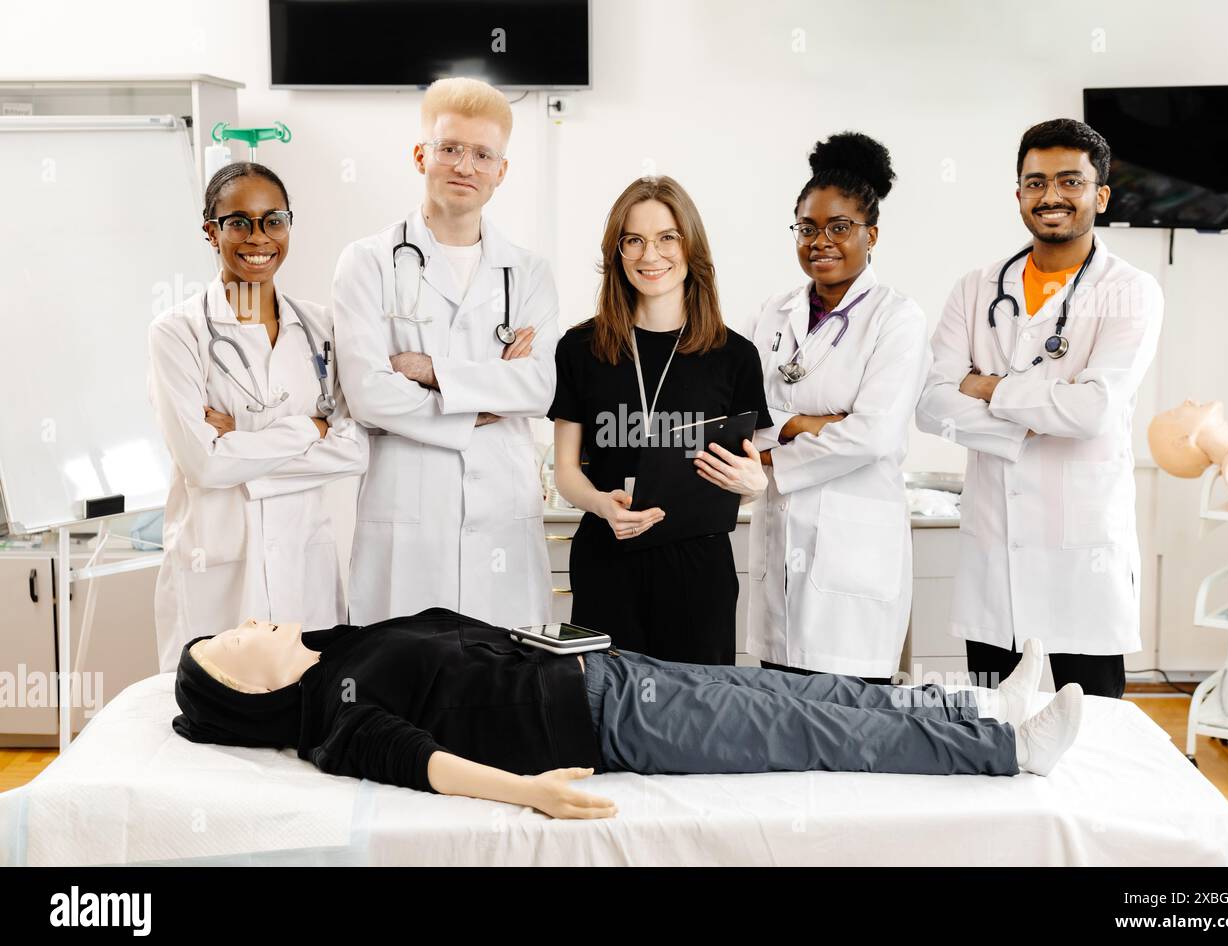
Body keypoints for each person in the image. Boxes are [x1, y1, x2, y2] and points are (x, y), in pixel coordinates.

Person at [172, 609, 1085, 819]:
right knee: (804, 731)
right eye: (232, 640)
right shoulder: (333, 714)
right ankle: (1008, 749)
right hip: (608, 723)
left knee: (792, 687)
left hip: (600, 667)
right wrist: (529, 794)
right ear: (247, 690)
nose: (249, 621)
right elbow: (421, 763)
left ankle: (972, 702)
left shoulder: (334, 647)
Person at [915, 118, 1164, 699]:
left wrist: (988, 387)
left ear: (1100, 195)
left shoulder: (1131, 291)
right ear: (1020, 193)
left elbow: (1093, 412)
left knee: (1095, 729)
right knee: (987, 721)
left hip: (1083, 557)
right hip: (994, 550)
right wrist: (1027, 426)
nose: (1050, 196)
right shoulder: (977, 287)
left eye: (1070, 182)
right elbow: (930, 404)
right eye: (1035, 182)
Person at [332, 77, 555, 628]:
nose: (465, 166)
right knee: (402, 692)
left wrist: (430, 371)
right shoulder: (367, 263)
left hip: (502, 515)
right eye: (450, 148)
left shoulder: (528, 273)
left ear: (501, 171)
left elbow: (540, 387)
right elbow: (368, 396)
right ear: (420, 156)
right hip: (408, 518)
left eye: (483, 154)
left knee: (506, 693)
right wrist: (484, 400)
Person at [147, 162, 368, 673]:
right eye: (238, 222)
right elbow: (203, 465)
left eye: (273, 220)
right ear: (211, 231)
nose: (258, 237)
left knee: (305, 716)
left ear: (289, 226)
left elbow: (355, 448)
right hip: (218, 565)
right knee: (212, 715)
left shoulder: (322, 328)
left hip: (303, 561)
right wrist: (310, 428)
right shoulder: (177, 333)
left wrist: (242, 440)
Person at [548, 176, 772, 665]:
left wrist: (755, 483)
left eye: (667, 237)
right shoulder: (580, 349)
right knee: (604, 713)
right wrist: (602, 505)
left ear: (691, 246)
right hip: (607, 559)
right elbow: (567, 471)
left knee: (697, 720)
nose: (651, 256)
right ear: (617, 253)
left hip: (698, 570)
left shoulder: (735, 356)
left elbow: (750, 475)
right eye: (634, 240)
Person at [739, 132, 930, 680]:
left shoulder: (897, 318)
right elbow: (741, 413)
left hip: (855, 557)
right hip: (778, 545)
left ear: (871, 234)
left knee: (848, 724)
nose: (821, 241)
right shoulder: (770, 314)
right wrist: (810, 424)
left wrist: (777, 442)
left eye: (839, 227)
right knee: (779, 717)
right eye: (807, 228)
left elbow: (872, 436)